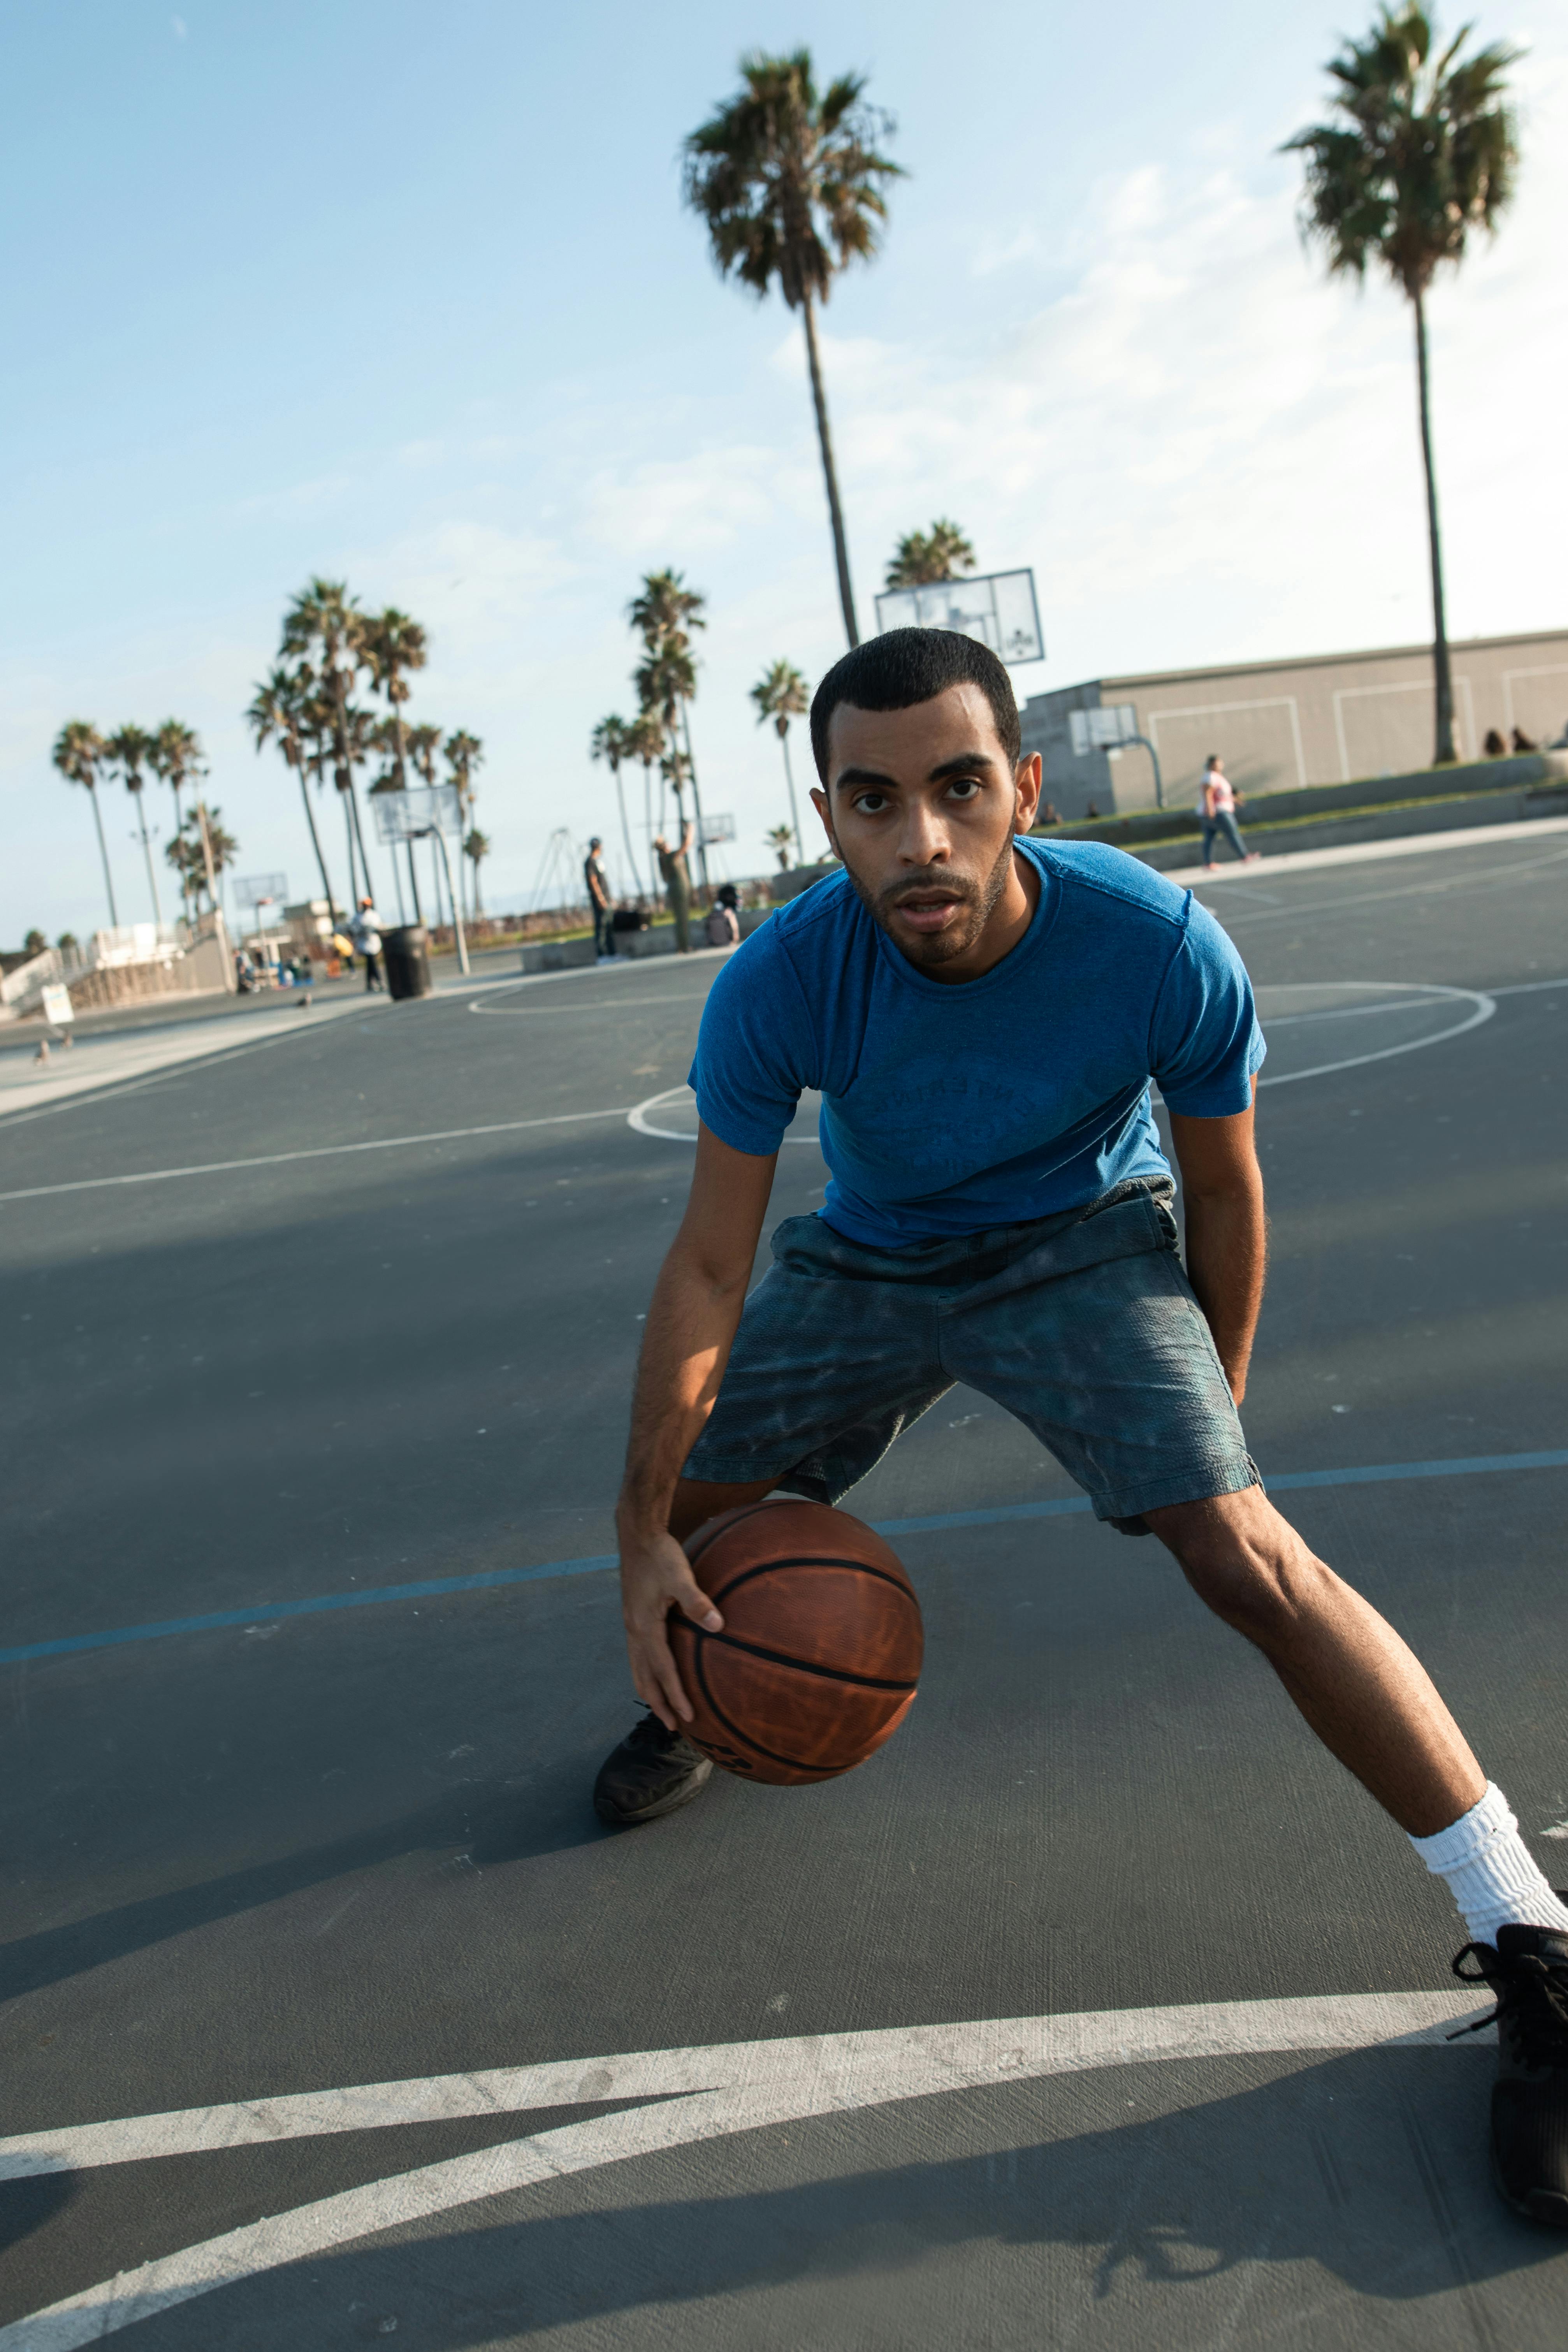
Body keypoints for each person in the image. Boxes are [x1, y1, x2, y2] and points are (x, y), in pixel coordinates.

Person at [592, 626, 1568, 2227]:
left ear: (1019, 787)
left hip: (1081, 1240)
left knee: (1245, 1551)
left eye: (957, 787)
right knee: (694, 1504)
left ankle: (1527, 1930)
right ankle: (707, 1675)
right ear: (826, 815)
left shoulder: (1151, 939)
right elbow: (710, 1257)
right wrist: (636, 1534)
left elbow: (1224, 1183)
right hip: (878, 1254)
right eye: (873, 799)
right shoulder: (780, 977)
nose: (920, 839)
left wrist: (1217, 1408)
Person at [1198, 756, 1260, 870]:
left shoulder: (1218, 777)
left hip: (1212, 812)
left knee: (1210, 837)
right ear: (1212, 764)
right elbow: (1209, 793)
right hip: (1219, 812)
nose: (1220, 765)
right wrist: (1210, 809)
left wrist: (1236, 800)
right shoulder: (1211, 776)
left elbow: (1223, 794)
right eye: (1217, 763)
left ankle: (1208, 863)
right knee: (1232, 833)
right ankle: (1244, 856)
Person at [652, 820, 696, 953]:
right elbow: (687, 844)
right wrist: (691, 829)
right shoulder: (669, 857)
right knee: (682, 919)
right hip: (679, 890)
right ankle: (684, 946)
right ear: (665, 847)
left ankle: (683, 945)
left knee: (682, 918)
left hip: (677, 889)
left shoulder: (664, 858)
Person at [584, 837, 615, 962]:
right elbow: (593, 882)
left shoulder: (597, 861)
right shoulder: (590, 862)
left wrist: (609, 898)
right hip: (601, 900)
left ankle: (612, 953)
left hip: (607, 899)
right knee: (602, 927)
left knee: (609, 926)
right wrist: (601, 899)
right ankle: (602, 955)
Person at [349, 897, 383, 991]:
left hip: (373, 941)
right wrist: (359, 932)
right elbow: (353, 929)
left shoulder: (374, 915)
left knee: (370, 963)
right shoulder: (357, 917)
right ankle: (379, 981)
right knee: (371, 961)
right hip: (363, 942)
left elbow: (378, 926)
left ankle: (370, 983)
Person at [704, 882, 741, 948]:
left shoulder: (717, 906)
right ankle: (734, 940)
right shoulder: (728, 911)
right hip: (727, 941)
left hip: (715, 942)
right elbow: (735, 928)